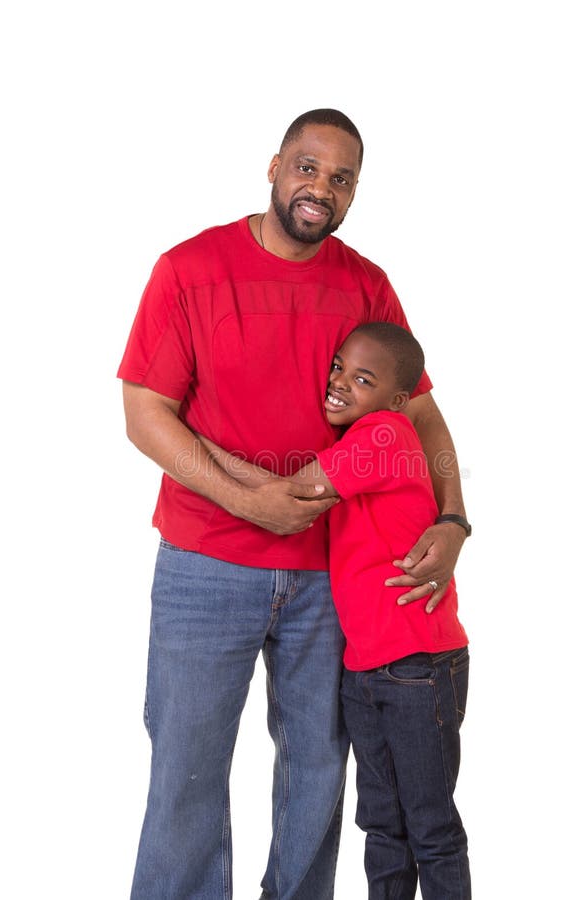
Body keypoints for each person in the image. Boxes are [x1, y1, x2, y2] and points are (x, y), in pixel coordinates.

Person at [118, 108, 470, 899]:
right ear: (275, 166)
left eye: (342, 178)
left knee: (317, 774)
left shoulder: (366, 285)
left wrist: (454, 519)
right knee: (186, 772)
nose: (321, 188)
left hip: (331, 577)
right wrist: (253, 501)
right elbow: (145, 414)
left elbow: (422, 416)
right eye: (308, 167)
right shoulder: (189, 269)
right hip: (205, 564)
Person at [202, 323, 471, 899]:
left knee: (430, 828)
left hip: (417, 664)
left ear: (398, 400)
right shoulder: (356, 444)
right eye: (338, 368)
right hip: (367, 665)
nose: (341, 383)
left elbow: (291, 493)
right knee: (382, 824)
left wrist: (202, 453)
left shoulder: (384, 435)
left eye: (364, 379)